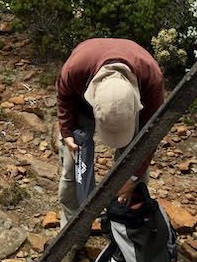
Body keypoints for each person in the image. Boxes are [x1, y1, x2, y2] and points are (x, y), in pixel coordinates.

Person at [55, 38, 165, 224]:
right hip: (83, 99)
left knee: (136, 174)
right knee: (73, 168)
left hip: (133, 98)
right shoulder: (75, 68)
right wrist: (66, 132)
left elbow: (151, 137)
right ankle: (72, 234)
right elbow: (64, 97)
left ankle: (125, 229)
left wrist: (132, 177)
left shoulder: (151, 79)